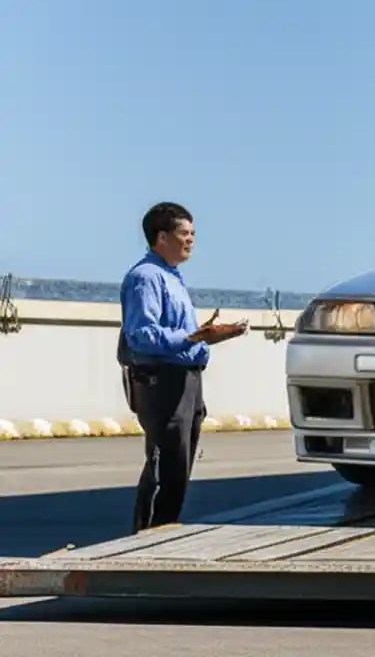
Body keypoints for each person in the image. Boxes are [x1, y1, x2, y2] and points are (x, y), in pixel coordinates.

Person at [118, 202, 247, 533]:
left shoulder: (172, 277)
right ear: (162, 237)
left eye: (193, 234)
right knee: (164, 467)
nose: (191, 240)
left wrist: (211, 336)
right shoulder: (146, 277)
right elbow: (141, 335)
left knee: (179, 468)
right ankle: (144, 539)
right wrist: (194, 336)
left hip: (185, 380)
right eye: (184, 234)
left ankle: (164, 533)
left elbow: (182, 337)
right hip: (162, 382)